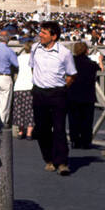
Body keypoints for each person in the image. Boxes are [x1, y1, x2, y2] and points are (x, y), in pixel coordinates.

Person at [28, 21, 76, 175]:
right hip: (39, 93)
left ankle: (62, 162)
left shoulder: (64, 53)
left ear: (53, 36)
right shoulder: (35, 49)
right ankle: (48, 159)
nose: (40, 35)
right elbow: (32, 67)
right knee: (42, 129)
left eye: (44, 33)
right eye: (40, 32)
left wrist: (61, 88)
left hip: (57, 94)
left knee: (60, 128)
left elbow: (71, 74)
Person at [66, 41, 99, 148]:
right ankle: (85, 141)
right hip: (87, 94)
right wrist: (100, 62)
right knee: (87, 119)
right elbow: (99, 70)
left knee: (73, 119)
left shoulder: (71, 62)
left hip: (72, 94)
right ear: (86, 50)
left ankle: (74, 140)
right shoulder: (91, 64)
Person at [11, 40, 35, 137]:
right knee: (30, 110)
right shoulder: (34, 58)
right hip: (30, 85)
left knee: (19, 109)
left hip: (19, 85)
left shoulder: (19, 58)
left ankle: (21, 131)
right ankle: (29, 132)